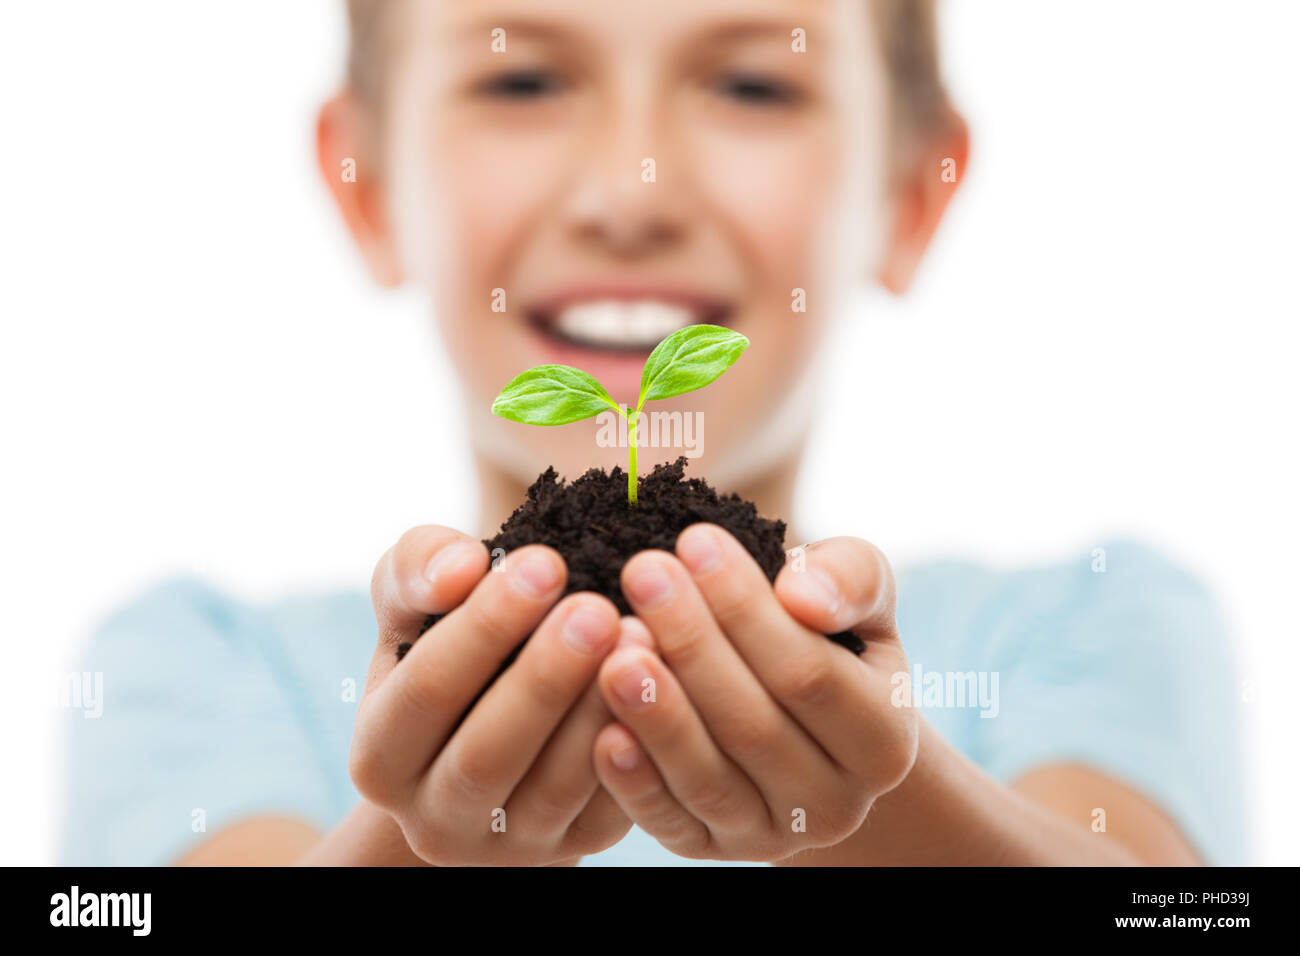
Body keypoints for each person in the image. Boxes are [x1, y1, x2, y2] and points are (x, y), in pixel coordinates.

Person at [60, 0, 1247, 866]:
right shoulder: (208, 663)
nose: (630, 195)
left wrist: (880, 784)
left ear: (912, 189)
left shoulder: (1088, 624)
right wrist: (419, 837)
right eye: (520, 82)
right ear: (365, 182)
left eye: (751, 85)